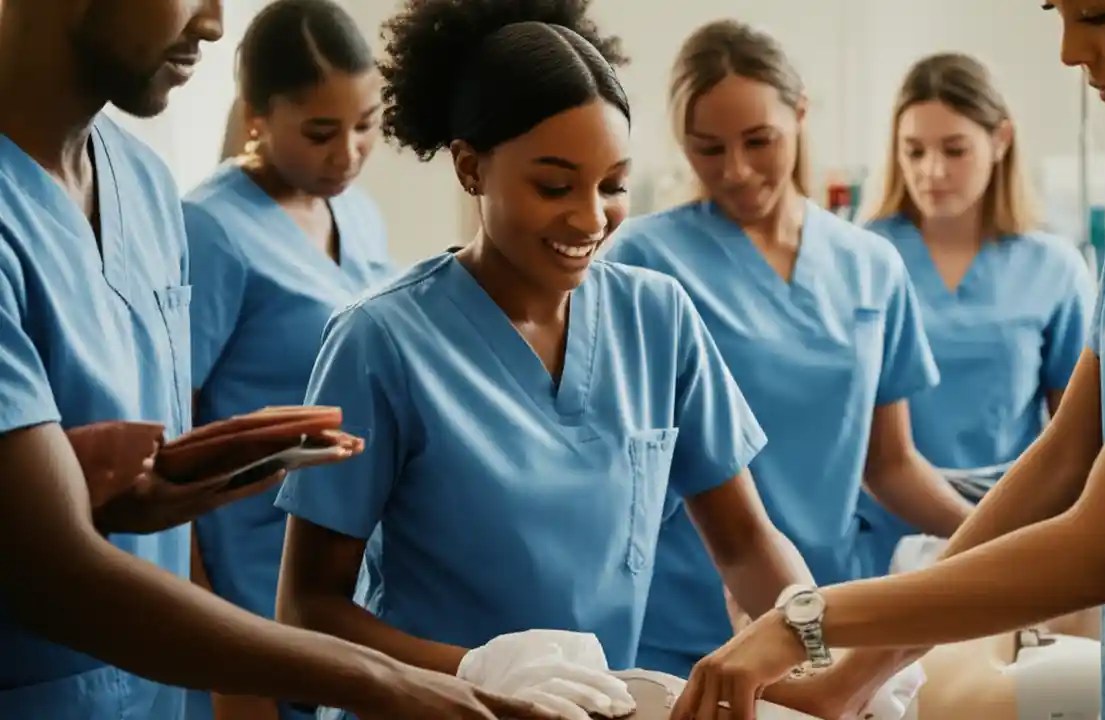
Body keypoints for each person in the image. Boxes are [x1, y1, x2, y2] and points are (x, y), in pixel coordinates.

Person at [669, 1, 1105, 719]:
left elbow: (1104, 547)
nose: (1069, 51)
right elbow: (1064, 455)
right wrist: (854, 674)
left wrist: (809, 619)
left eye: (1099, 14)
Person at [0, 1, 558, 718]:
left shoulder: (139, 182)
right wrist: (381, 679)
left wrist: (148, 492)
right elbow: (54, 574)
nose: (211, 22)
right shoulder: (208, 222)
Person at [272, 1, 820, 718]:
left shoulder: (657, 318)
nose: (591, 218)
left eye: (613, 185)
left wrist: (820, 647)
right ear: (471, 167)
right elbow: (307, 608)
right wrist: (474, 672)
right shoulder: (380, 342)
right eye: (555, 186)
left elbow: (746, 542)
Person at [601, 19, 973, 686]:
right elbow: (613, 462)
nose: (736, 171)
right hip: (681, 622)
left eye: (759, 141)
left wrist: (994, 537)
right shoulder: (643, 260)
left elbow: (890, 465)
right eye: (707, 148)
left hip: (827, 612)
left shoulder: (870, 265)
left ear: (800, 114)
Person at [183, 2, 397, 719]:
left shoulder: (359, 214)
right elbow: (168, 442)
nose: (348, 153)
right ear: (257, 117)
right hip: (249, 590)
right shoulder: (211, 228)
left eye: (367, 125)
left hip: (350, 584)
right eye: (320, 132)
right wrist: (216, 655)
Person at [853, 52, 1095, 578]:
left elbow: (1078, 436)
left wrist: (1011, 543)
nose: (931, 171)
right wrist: (976, 541)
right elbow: (865, 444)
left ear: (1000, 140)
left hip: (1015, 523)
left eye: (954, 150)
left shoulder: (1053, 268)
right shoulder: (861, 258)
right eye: (913, 151)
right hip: (884, 535)